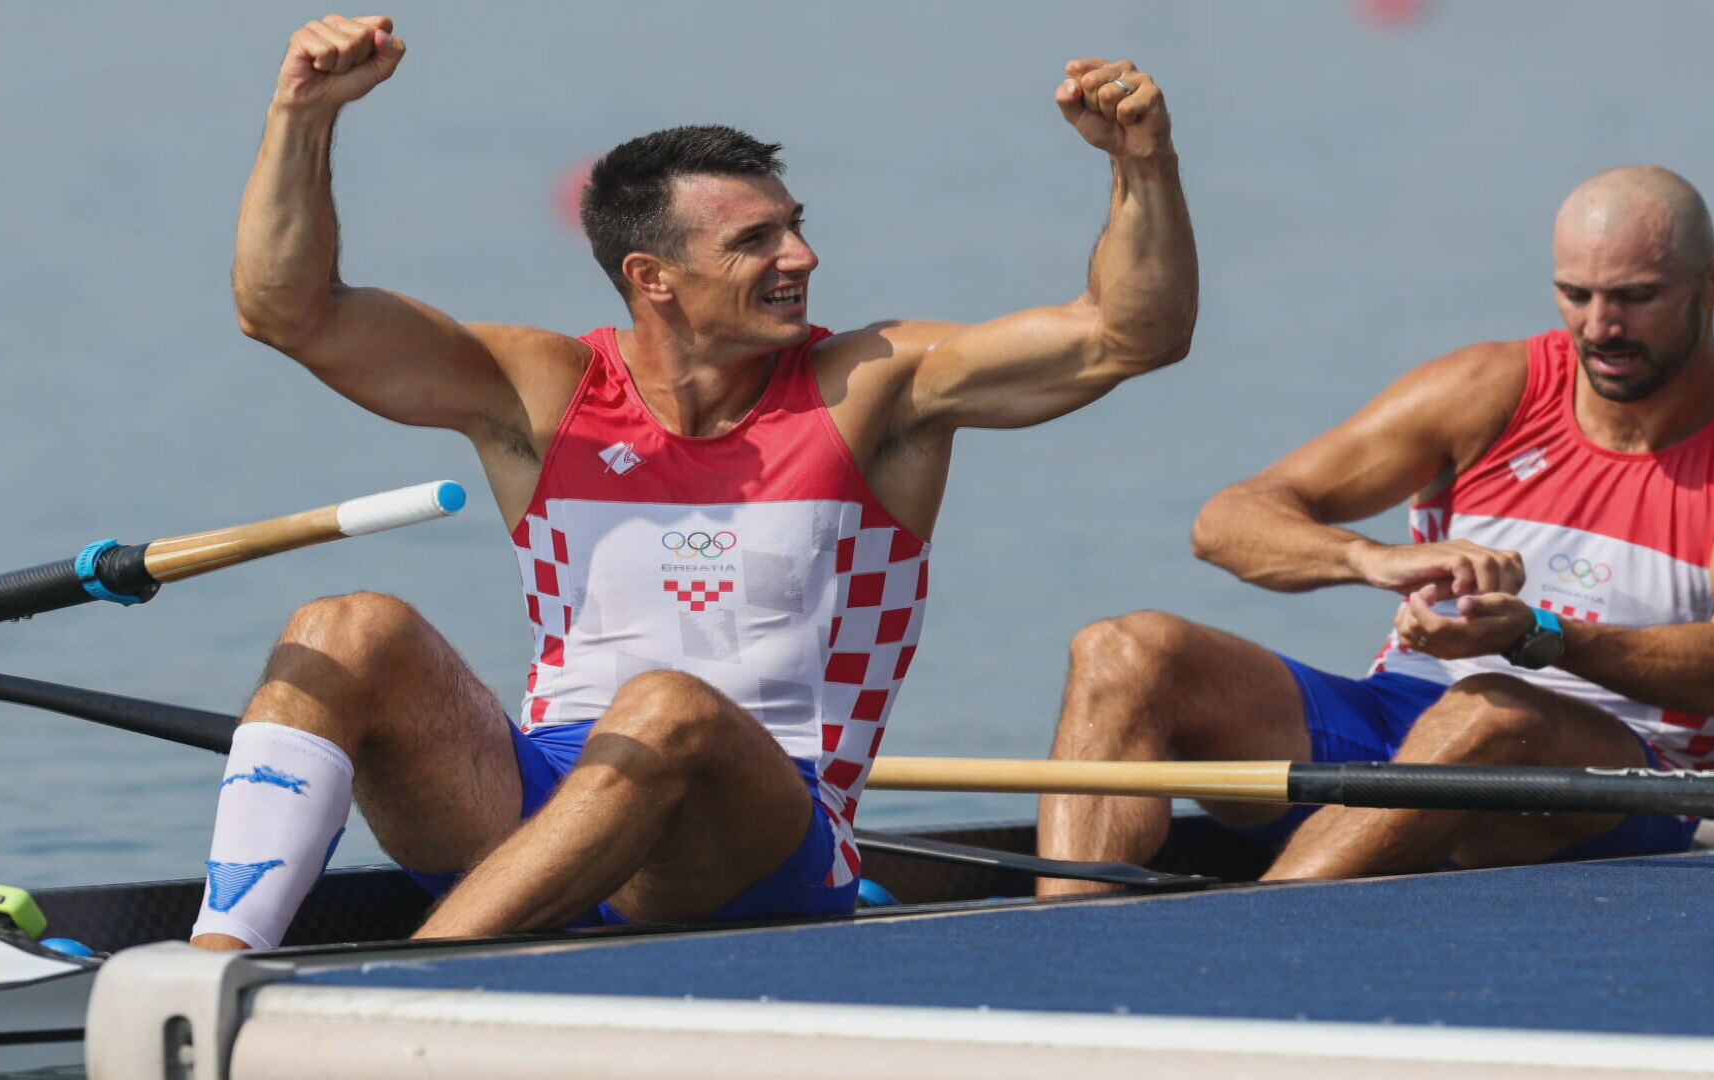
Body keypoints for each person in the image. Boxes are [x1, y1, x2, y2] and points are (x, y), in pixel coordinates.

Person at [189, 14, 1196, 949]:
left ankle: (405, 984)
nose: (802, 256)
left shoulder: (876, 388)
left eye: (793, 225)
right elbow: (289, 313)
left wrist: (1142, 165)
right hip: (537, 808)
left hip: (762, 841)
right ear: (652, 277)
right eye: (755, 241)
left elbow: (1129, 335)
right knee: (345, 625)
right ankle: (215, 963)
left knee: (666, 706)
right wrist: (301, 115)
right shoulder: (540, 389)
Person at [1036, 165, 1714, 893]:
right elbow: (1228, 521)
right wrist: (1371, 559)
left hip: (1612, 786)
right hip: (1402, 724)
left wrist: (1541, 636)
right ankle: (1062, 943)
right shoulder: (1491, 386)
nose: (1600, 327)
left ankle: (1262, 930)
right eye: (1576, 295)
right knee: (1125, 650)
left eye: (1636, 297)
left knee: (1494, 710)